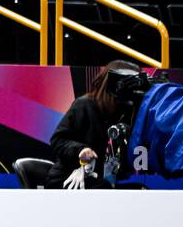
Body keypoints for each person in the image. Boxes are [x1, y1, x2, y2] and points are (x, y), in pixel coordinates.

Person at [45, 60, 138, 190]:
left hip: (101, 180)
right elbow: (58, 140)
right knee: (104, 188)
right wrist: (81, 150)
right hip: (68, 178)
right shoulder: (84, 105)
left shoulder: (128, 112)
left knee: (140, 190)